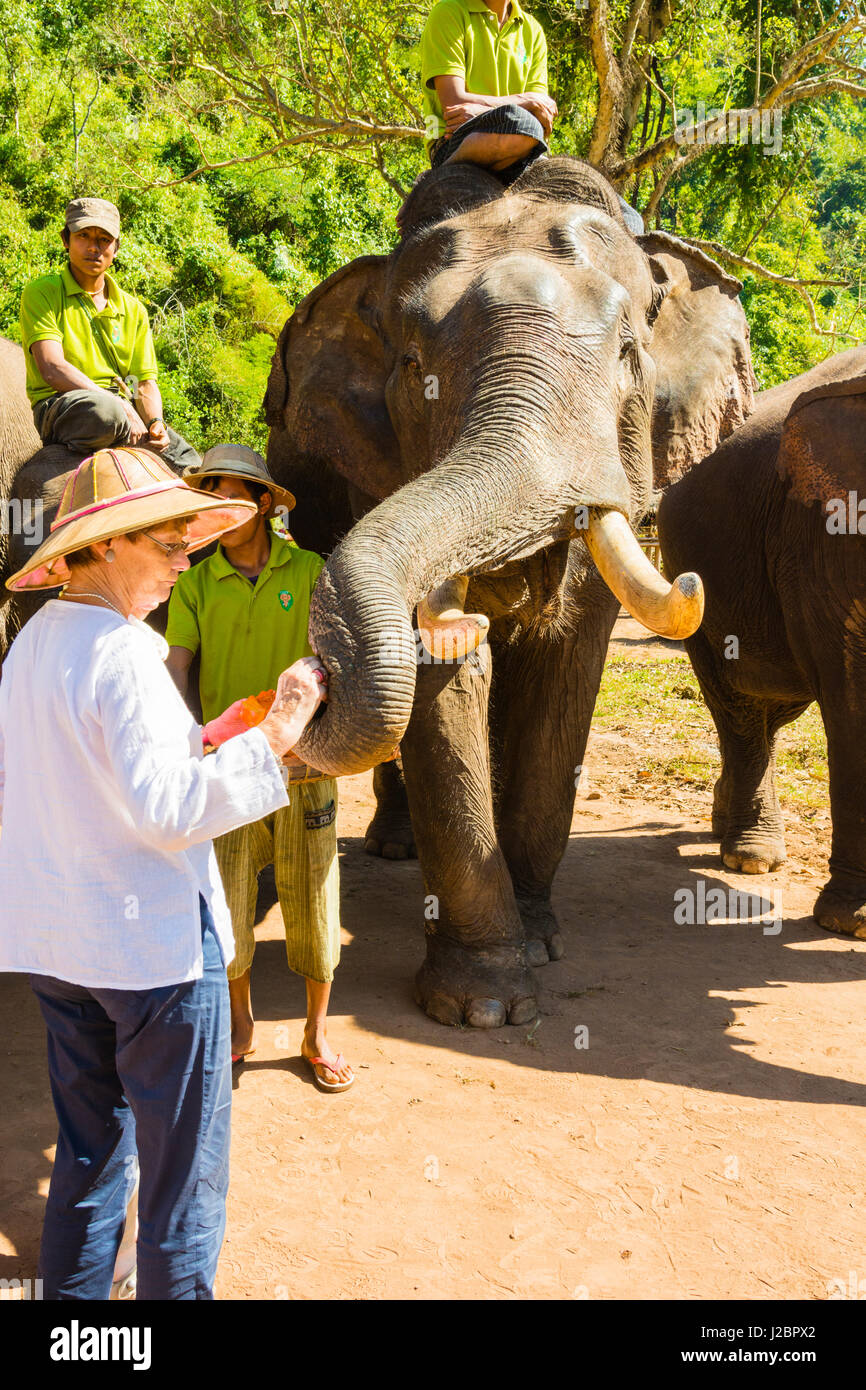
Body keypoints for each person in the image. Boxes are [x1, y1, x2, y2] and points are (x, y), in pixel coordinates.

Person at [0, 446, 327, 1299]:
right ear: (105, 546)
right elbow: (171, 811)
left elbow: (69, 779)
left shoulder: (32, 648)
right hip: (155, 963)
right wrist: (279, 732)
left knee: (88, 1158)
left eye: (189, 545)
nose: (186, 563)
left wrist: (206, 738)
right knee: (182, 1187)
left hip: (63, 948)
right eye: (170, 546)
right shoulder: (128, 652)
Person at [165, 446, 353, 1093]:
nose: (222, 509)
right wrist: (185, 737)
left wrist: (320, 739)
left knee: (316, 901)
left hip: (304, 767)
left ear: (266, 503)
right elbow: (179, 667)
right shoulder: (193, 582)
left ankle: (316, 1032)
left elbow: (337, 663)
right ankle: (242, 1024)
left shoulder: (309, 572)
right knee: (230, 902)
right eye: (210, 497)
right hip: (229, 773)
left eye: (234, 496)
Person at [19, 197, 199, 469]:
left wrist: (155, 423)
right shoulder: (42, 292)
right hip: (63, 406)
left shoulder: (133, 309)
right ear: (65, 239)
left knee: (187, 459)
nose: (94, 247)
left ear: (116, 247)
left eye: (104, 239)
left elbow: (142, 382)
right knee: (106, 413)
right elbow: (52, 367)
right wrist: (118, 405)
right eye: (83, 236)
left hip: (122, 412)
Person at [419, 0, 556, 185]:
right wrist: (525, 100)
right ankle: (435, 180)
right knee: (524, 125)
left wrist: (480, 112)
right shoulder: (448, 12)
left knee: (535, 135)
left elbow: (541, 115)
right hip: (455, 141)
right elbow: (453, 102)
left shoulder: (532, 30)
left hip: (518, 140)